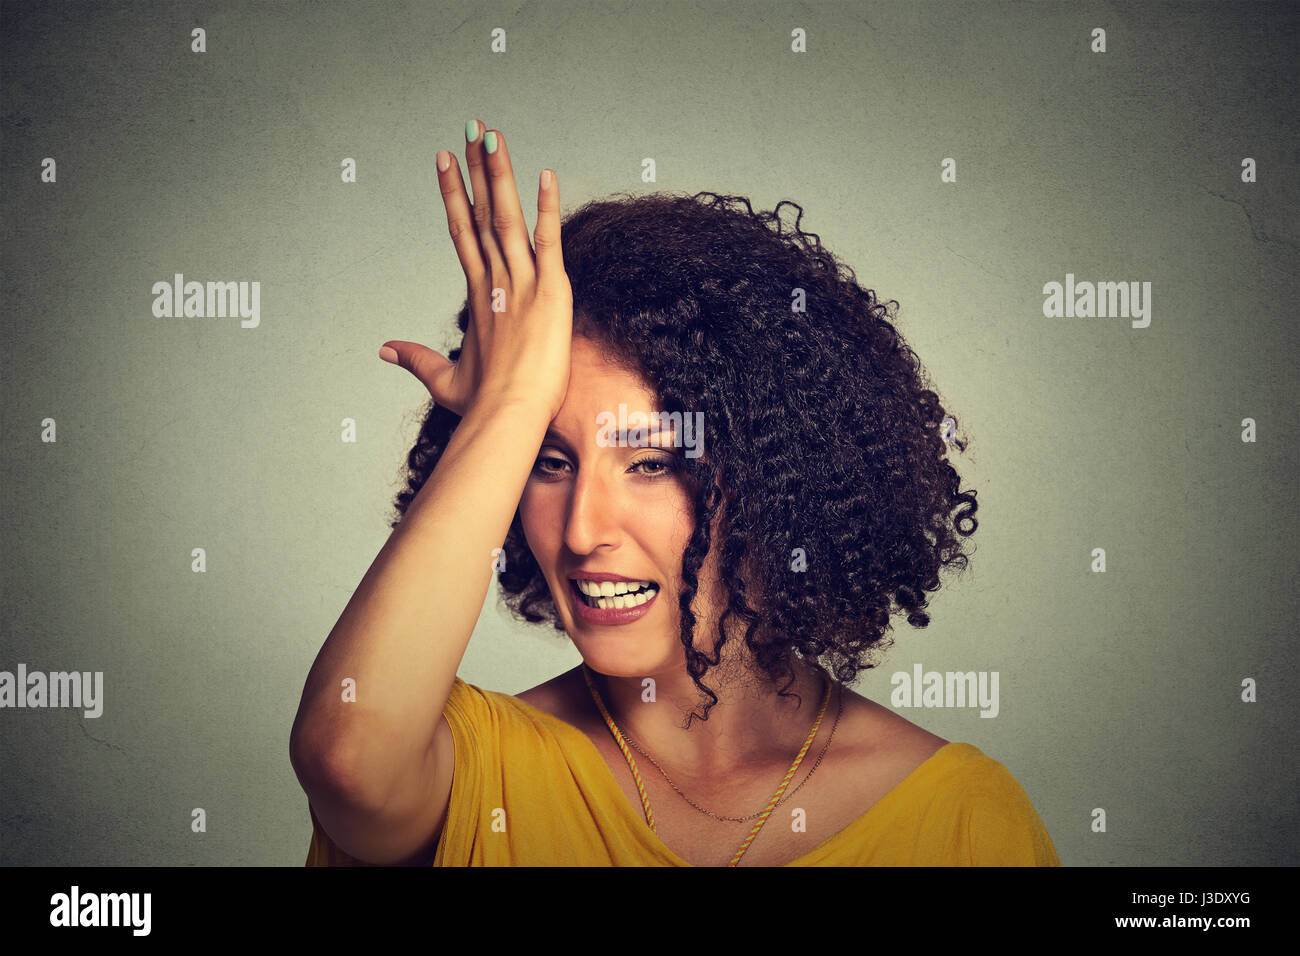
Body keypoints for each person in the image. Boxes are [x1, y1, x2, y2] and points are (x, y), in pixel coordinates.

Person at [289, 120, 1060, 867]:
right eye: (547, 463)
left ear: (778, 479)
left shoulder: (962, 822)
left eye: (651, 463)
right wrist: (508, 409)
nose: (582, 530)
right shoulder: (473, 770)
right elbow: (346, 758)